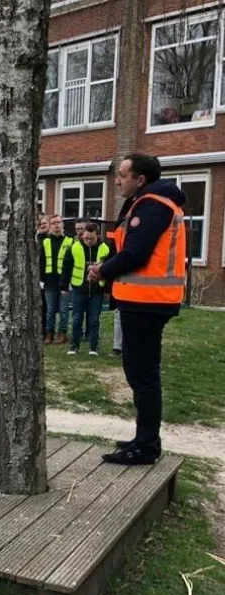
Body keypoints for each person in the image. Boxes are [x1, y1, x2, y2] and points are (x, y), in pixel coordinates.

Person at [89, 154, 186, 466]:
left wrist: (102, 270)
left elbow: (136, 254)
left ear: (139, 179)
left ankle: (146, 446)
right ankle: (144, 438)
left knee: (143, 377)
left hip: (148, 301)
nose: (117, 181)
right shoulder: (146, 202)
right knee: (138, 373)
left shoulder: (152, 205)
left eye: (122, 175)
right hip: (144, 300)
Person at [62, 223, 110, 356]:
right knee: (77, 319)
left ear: (97, 236)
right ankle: (74, 346)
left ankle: (94, 347)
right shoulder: (74, 247)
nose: (88, 241)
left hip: (97, 290)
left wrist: (107, 290)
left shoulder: (105, 249)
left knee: (94, 320)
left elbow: (110, 271)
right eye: (86, 238)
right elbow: (67, 267)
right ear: (82, 236)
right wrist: (64, 286)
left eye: (92, 239)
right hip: (79, 288)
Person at [40, 215, 73, 344]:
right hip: (49, 280)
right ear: (50, 225)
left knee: (64, 309)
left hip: (65, 280)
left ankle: (62, 333)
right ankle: (49, 334)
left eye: (58, 222)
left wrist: (70, 280)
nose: (56, 225)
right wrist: (41, 279)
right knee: (50, 309)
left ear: (62, 224)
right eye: (53, 223)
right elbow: (41, 261)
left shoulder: (70, 241)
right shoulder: (45, 241)